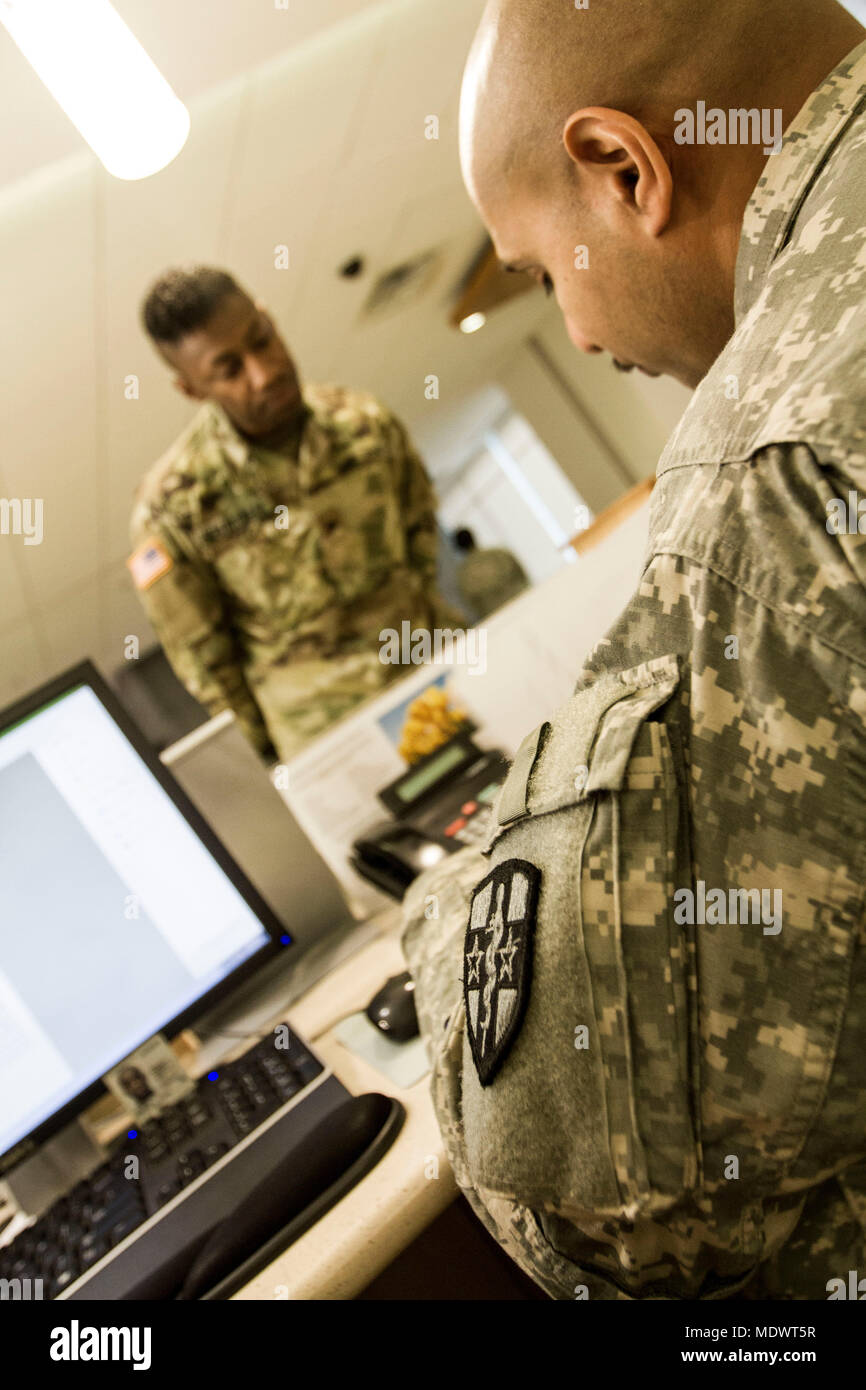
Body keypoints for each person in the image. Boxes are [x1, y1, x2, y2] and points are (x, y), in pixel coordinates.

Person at [401, 0, 866, 1300]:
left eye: (544, 270)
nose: (583, 336)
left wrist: (444, 910)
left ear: (624, 169)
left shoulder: (778, 461)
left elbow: (604, 1198)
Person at [129, 266, 463, 763]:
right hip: (326, 739)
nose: (263, 372)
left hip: (436, 672)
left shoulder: (363, 423)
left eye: (261, 340)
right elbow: (207, 663)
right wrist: (280, 760)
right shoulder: (173, 508)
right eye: (229, 370)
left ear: (267, 318)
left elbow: (419, 533)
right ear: (192, 390)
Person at [453, 527, 529, 619]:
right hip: (523, 603)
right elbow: (522, 576)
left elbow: (473, 606)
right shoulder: (499, 554)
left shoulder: (464, 576)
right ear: (473, 537)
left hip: (499, 618)